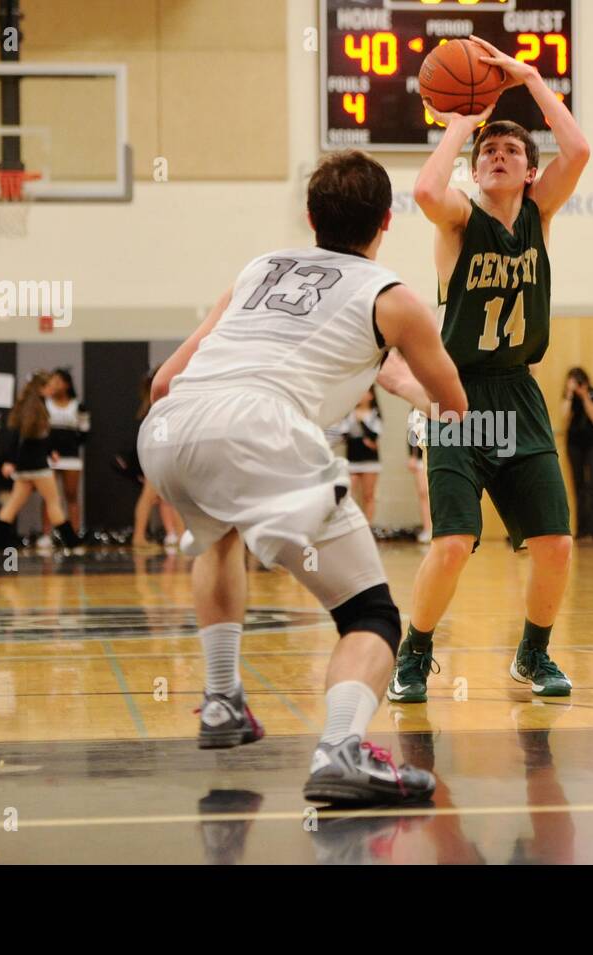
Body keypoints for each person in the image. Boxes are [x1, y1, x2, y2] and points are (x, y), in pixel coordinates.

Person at [137, 149, 466, 805]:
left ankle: (223, 699)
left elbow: (163, 380)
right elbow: (452, 403)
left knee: (218, 536)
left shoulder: (259, 270)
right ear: (387, 220)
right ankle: (342, 748)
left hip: (170, 428)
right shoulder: (393, 297)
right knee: (370, 614)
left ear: (311, 216)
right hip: (262, 430)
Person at [389, 34, 590, 704]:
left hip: (520, 394)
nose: (498, 155)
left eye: (512, 151)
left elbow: (580, 149)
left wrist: (530, 77)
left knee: (556, 543)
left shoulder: (540, 213)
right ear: (475, 171)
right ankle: (414, 653)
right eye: (488, 153)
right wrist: (462, 124)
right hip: (460, 395)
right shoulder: (457, 219)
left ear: (532, 171)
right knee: (452, 543)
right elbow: (423, 187)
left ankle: (533, 655)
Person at [0, 372, 83, 551]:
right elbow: (20, 437)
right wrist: (9, 461)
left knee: (13, 503)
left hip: (25, 466)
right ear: (41, 388)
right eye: (49, 385)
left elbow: (39, 437)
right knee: (53, 501)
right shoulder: (35, 409)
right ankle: (71, 541)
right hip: (37, 466)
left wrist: (50, 451)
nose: (53, 388)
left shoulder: (30, 406)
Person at [119, 369, 185, 550]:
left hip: (159, 455)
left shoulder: (157, 403)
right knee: (153, 497)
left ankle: (179, 537)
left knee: (168, 497)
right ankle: (140, 537)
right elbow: (159, 435)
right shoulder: (159, 404)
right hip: (159, 455)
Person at [40, 368, 89, 546]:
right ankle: (46, 535)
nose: (55, 384)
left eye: (59, 381)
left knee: (71, 495)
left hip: (71, 457)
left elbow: (84, 432)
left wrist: (71, 446)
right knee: (50, 496)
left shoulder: (78, 406)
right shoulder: (45, 404)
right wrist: (49, 450)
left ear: (67, 384)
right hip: (50, 457)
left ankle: (74, 534)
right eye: (52, 381)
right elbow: (41, 431)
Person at [562, 367, 593, 541]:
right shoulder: (568, 396)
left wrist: (584, 395)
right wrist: (570, 393)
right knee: (578, 485)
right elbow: (564, 416)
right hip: (574, 444)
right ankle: (582, 529)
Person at [343, 388, 382, 524]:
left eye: (365, 392)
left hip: (370, 460)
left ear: (371, 396)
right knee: (349, 495)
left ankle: (368, 526)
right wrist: (364, 440)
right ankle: (352, 525)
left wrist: (361, 423)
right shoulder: (349, 413)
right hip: (352, 459)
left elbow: (374, 436)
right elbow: (344, 434)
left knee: (368, 495)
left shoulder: (375, 414)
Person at [406, 411, 431, 544]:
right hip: (422, 457)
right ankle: (428, 529)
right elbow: (411, 435)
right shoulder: (414, 411)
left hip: (438, 455)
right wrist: (412, 456)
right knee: (423, 492)